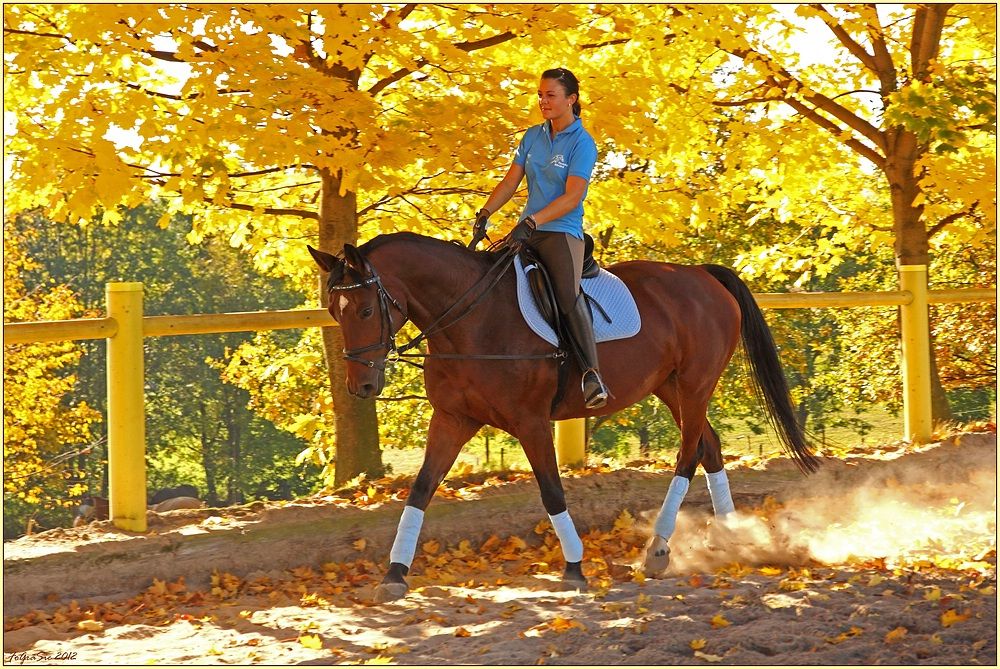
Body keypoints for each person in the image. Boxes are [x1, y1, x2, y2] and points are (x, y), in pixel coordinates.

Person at [474, 67, 609, 409]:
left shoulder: (582, 143)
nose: (543, 101)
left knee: (567, 295)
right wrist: (485, 213)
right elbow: (510, 182)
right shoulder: (532, 136)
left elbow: (572, 197)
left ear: (571, 100)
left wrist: (533, 221)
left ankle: (592, 375)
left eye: (551, 95)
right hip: (526, 230)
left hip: (560, 232)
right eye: (540, 95)